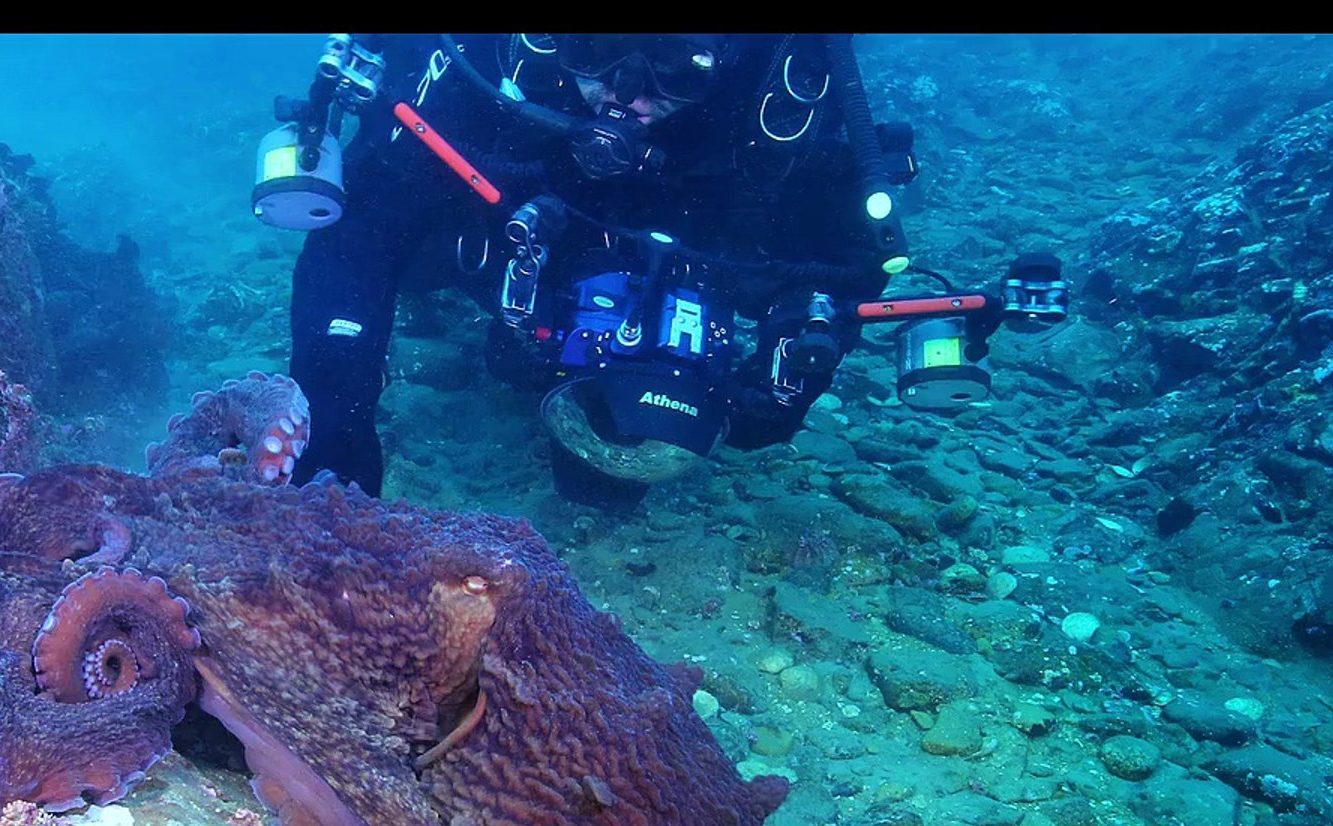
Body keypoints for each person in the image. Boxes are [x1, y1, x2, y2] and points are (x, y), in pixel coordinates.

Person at [276, 34, 917, 507]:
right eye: (599, 44)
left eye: (674, 67)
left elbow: (847, 262)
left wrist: (785, 378)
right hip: (501, 215)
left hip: (674, 242)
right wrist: (336, 408)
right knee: (412, 258)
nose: (627, 93)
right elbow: (361, 226)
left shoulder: (780, 86)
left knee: (613, 474)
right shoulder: (487, 56)